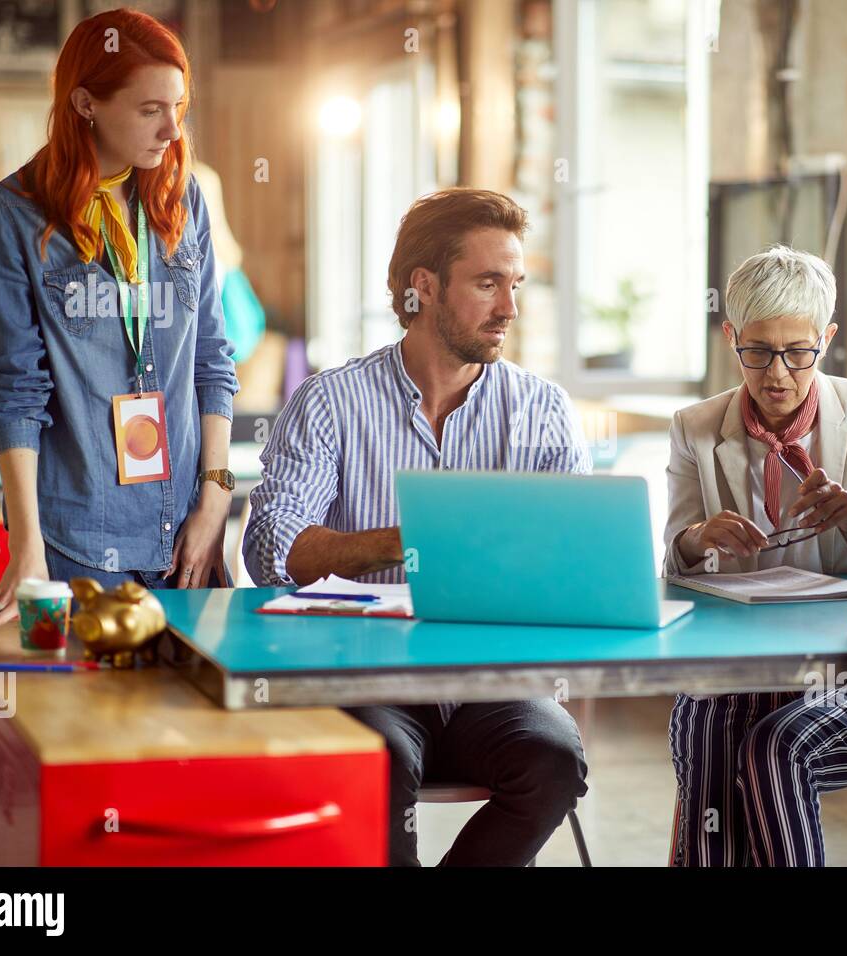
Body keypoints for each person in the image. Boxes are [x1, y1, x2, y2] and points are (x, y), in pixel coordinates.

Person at [243, 188, 590, 866]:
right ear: (422, 288)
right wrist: (414, 542)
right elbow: (271, 550)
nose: (509, 309)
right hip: (370, 681)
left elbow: (573, 561)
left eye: (514, 285)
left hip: (491, 683)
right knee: (375, 765)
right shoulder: (331, 402)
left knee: (553, 761)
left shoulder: (544, 409)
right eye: (488, 283)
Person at [0, 8, 238, 637]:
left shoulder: (183, 197)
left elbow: (212, 356)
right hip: (79, 541)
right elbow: (15, 391)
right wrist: (27, 548)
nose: (171, 130)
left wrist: (216, 498)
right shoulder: (9, 216)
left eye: (179, 108)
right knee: (100, 727)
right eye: (149, 109)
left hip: (190, 525)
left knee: (195, 731)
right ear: (85, 103)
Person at [664, 245, 847, 865]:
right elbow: (674, 563)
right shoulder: (695, 428)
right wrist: (700, 539)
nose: (776, 373)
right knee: (703, 723)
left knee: (770, 747)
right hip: (751, 661)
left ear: (827, 340)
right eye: (756, 352)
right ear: (731, 338)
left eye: (797, 353)